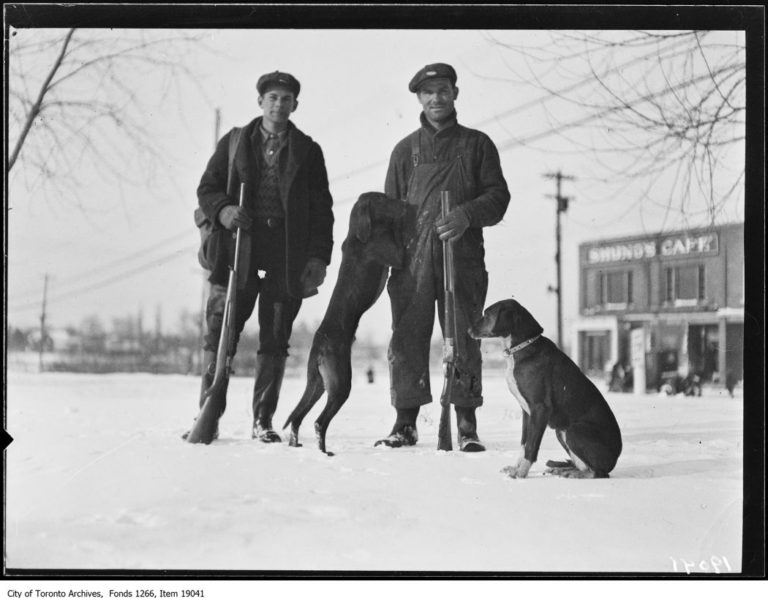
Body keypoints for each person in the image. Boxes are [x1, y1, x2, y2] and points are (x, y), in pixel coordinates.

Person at [192, 71, 334, 442]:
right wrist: (224, 210)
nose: (278, 105)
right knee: (220, 333)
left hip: (284, 258)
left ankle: (262, 420)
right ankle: (208, 414)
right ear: (260, 102)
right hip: (237, 252)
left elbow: (322, 212)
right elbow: (207, 188)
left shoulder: (308, 151)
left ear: (295, 105)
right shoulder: (235, 142)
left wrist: (317, 258)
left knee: (275, 338)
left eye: (286, 99)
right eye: (272, 97)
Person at [378, 63, 510, 451]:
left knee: (465, 338)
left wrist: (467, 214)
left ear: (455, 93)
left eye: (443, 90)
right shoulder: (405, 151)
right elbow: (389, 211)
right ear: (419, 98)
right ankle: (405, 422)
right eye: (428, 92)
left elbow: (498, 197)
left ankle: (466, 423)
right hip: (412, 263)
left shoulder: (477, 144)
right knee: (407, 338)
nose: (436, 98)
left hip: (462, 259)